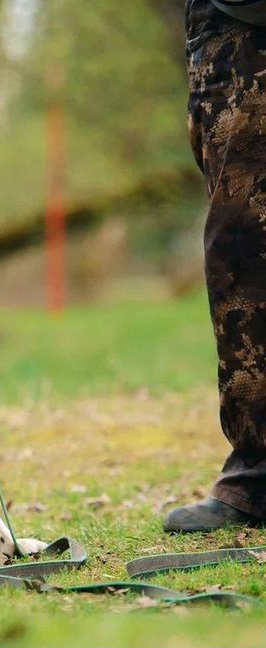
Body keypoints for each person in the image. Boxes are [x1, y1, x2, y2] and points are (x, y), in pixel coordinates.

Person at [164, 0, 266, 532]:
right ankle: (256, 477)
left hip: (248, 30)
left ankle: (256, 479)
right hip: (228, 31)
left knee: (244, 250)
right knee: (242, 255)